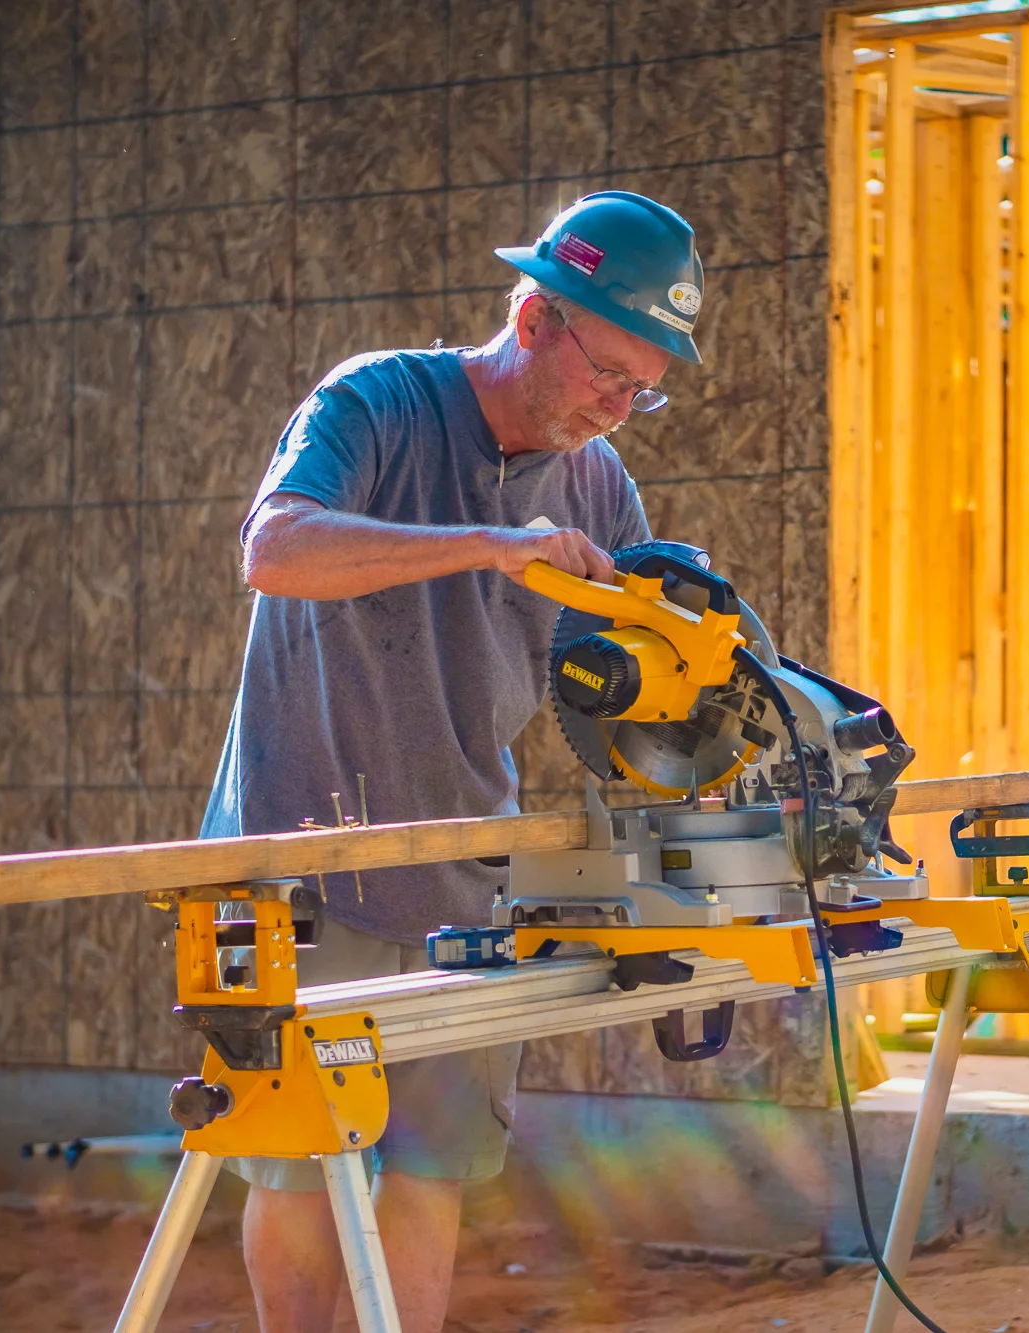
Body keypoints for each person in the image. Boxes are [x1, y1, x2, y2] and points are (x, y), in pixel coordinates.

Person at [199, 191, 706, 1333]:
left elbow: (630, 686)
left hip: (463, 871)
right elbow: (272, 551)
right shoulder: (376, 400)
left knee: (428, 1176)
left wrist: (696, 671)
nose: (619, 409)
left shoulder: (598, 486)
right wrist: (490, 546)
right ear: (533, 318)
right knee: (300, 1168)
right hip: (298, 860)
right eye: (607, 375)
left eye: (641, 390)